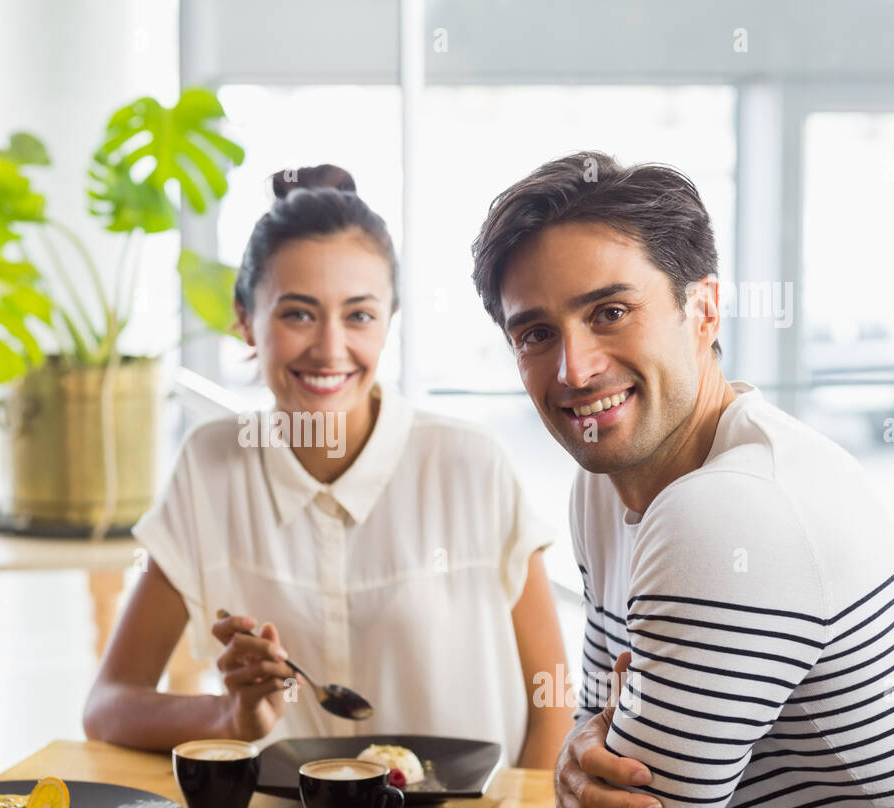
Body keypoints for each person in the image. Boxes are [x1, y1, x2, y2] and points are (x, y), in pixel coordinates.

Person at [472, 150, 894, 808]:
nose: (574, 368)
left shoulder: (729, 513)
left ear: (704, 309)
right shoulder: (605, 484)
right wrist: (578, 762)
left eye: (610, 312)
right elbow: (604, 750)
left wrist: (591, 779)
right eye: (536, 333)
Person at [84, 164, 573, 768]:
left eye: (359, 315)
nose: (330, 348)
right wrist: (232, 718)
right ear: (244, 321)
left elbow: (554, 706)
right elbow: (108, 705)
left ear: (389, 321)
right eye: (297, 313)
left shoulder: (468, 464)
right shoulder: (212, 464)